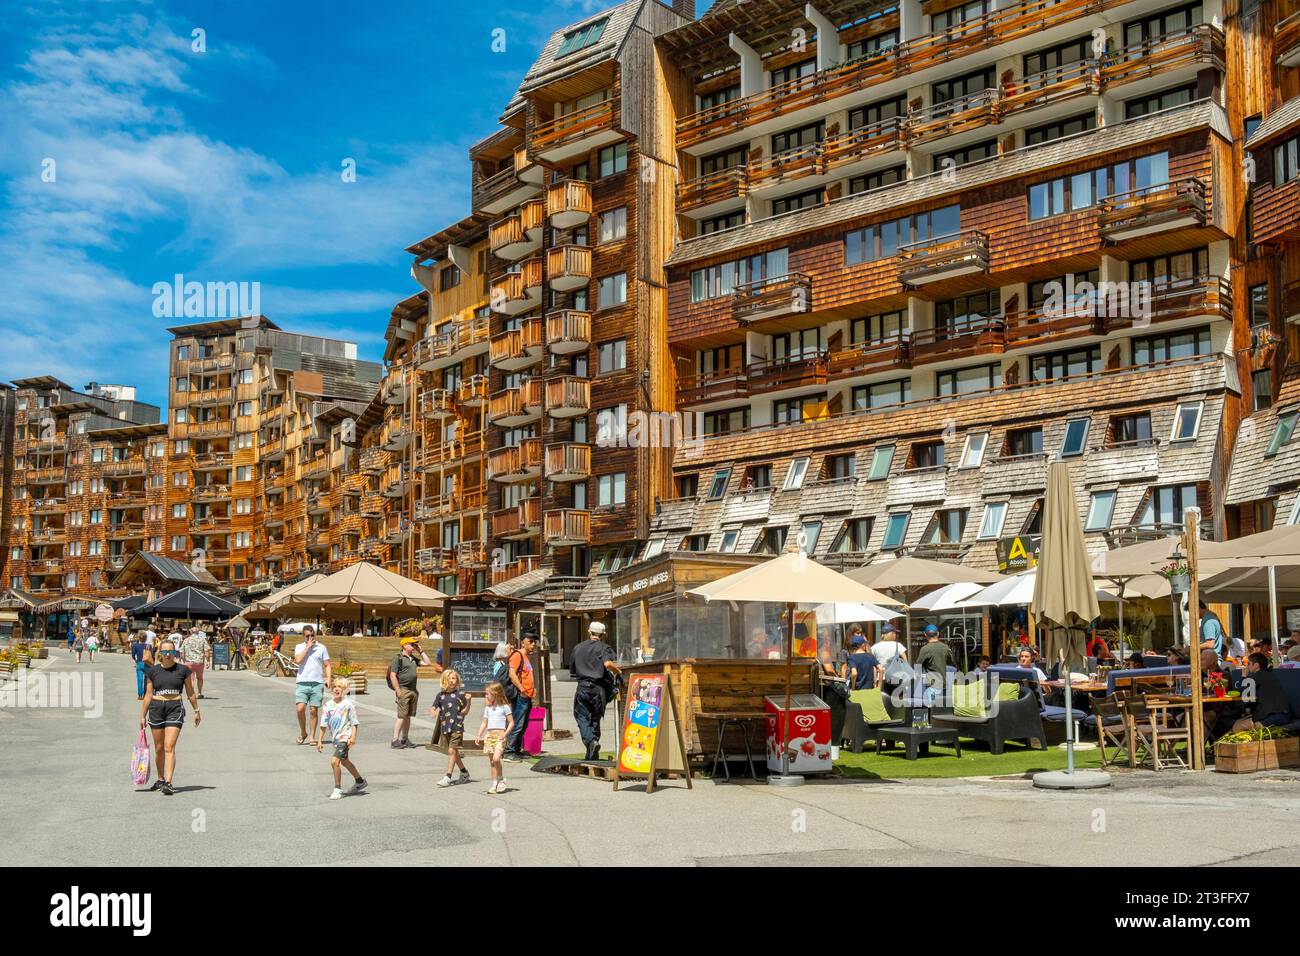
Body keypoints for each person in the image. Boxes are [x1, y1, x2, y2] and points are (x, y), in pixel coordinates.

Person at [138, 638, 200, 796]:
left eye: (170, 652)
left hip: (175, 708)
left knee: (169, 746)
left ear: (175, 653)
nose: (167, 654)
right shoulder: (153, 671)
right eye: (164, 652)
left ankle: (169, 782)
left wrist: (196, 710)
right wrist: (142, 716)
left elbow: (190, 692)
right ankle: (160, 779)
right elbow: (148, 695)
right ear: (160, 653)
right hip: (156, 708)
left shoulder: (183, 670)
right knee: (159, 749)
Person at [571, 620, 620, 760]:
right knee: (595, 719)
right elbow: (608, 664)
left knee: (581, 716)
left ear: (589, 632)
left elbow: (573, 671)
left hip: (582, 687)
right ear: (603, 634)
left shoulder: (578, 648)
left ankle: (591, 742)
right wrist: (618, 672)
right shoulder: (604, 648)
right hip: (599, 689)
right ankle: (592, 751)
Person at [318, 677, 366, 799]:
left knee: (335, 761)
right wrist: (319, 740)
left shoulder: (348, 704)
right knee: (345, 761)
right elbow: (323, 725)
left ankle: (337, 788)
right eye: (334, 687)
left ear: (344, 689)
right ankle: (360, 781)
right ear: (331, 689)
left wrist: (353, 737)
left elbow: (354, 722)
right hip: (336, 738)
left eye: (340, 687)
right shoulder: (327, 706)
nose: (337, 689)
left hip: (345, 736)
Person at [388, 636, 432, 749]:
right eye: (411, 644)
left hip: (413, 690)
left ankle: (405, 738)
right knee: (401, 715)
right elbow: (392, 675)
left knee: (408, 716)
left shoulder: (413, 658)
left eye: (414, 645)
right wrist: (398, 690)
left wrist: (420, 651)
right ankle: (394, 740)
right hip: (403, 689)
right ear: (404, 645)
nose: (414, 646)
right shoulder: (398, 658)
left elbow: (428, 663)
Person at [431, 669, 471, 788]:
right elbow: (434, 706)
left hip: (457, 726)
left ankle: (448, 777)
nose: (452, 681)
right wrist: (433, 711)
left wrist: (468, 702)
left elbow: (465, 712)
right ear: (444, 681)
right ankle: (464, 772)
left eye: (454, 678)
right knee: (454, 752)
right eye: (449, 679)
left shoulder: (460, 695)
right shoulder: (440, 695)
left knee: (451, 751)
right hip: (445, 727)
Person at [503, 630, 538, 762]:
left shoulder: (526, 657)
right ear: (523, 642)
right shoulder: (517, 655)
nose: (533, 644)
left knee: (523, 724)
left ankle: (516, 750)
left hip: (526, 695)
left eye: (534, 641)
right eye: (530, 641)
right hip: (520, 695)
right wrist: (522, 689)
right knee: (517, 723)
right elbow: (512, 674)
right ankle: (509, 751)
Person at [293, 626, 331, 746]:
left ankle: (312, 737)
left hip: (317, 683)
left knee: (314, 710)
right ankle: (303, 732)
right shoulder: (299, 647)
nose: (310, 638)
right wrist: (307, 647)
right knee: (300, 709)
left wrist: (328, 678)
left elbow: (327, 664)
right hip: (302, 682)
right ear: (303, 636)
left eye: (312, 635)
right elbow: (298, 660)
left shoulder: (321, 648)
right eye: (307, 636)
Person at [475, 681, 515, 794]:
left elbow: (511, 723)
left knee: (496, 759)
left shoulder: (505, 707)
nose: (486, 696)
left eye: (487, 694)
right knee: (492, 762)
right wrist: (478, 735)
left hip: (500, 737)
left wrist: (505, 734)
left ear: (495, 694)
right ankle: (494, 783)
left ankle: (501, 778)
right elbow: (484, 722)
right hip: (489, 736)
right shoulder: (488, 708)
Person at [179, 626, 209, 698]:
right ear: (198, 632)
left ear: (191, 632)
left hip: (189, 662)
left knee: (190, 679)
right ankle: (199, 693)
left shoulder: (186, 640)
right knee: (200, 678)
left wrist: (183, 660)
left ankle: (191, 694)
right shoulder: (202, 640)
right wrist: (208, 661)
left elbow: (182, 652)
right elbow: (207, 651)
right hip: (199, 662)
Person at [130, 630, 152, 700]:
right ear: (146, 638)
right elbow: (152, 655)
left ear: (139, 638)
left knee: (139, 680)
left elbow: (133, 655)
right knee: (146, 680)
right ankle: (145, 694)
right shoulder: (149, 646)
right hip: (147, 664)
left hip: (139, 663)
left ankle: (140, 695)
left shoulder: (135, 645)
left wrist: (136, 660)